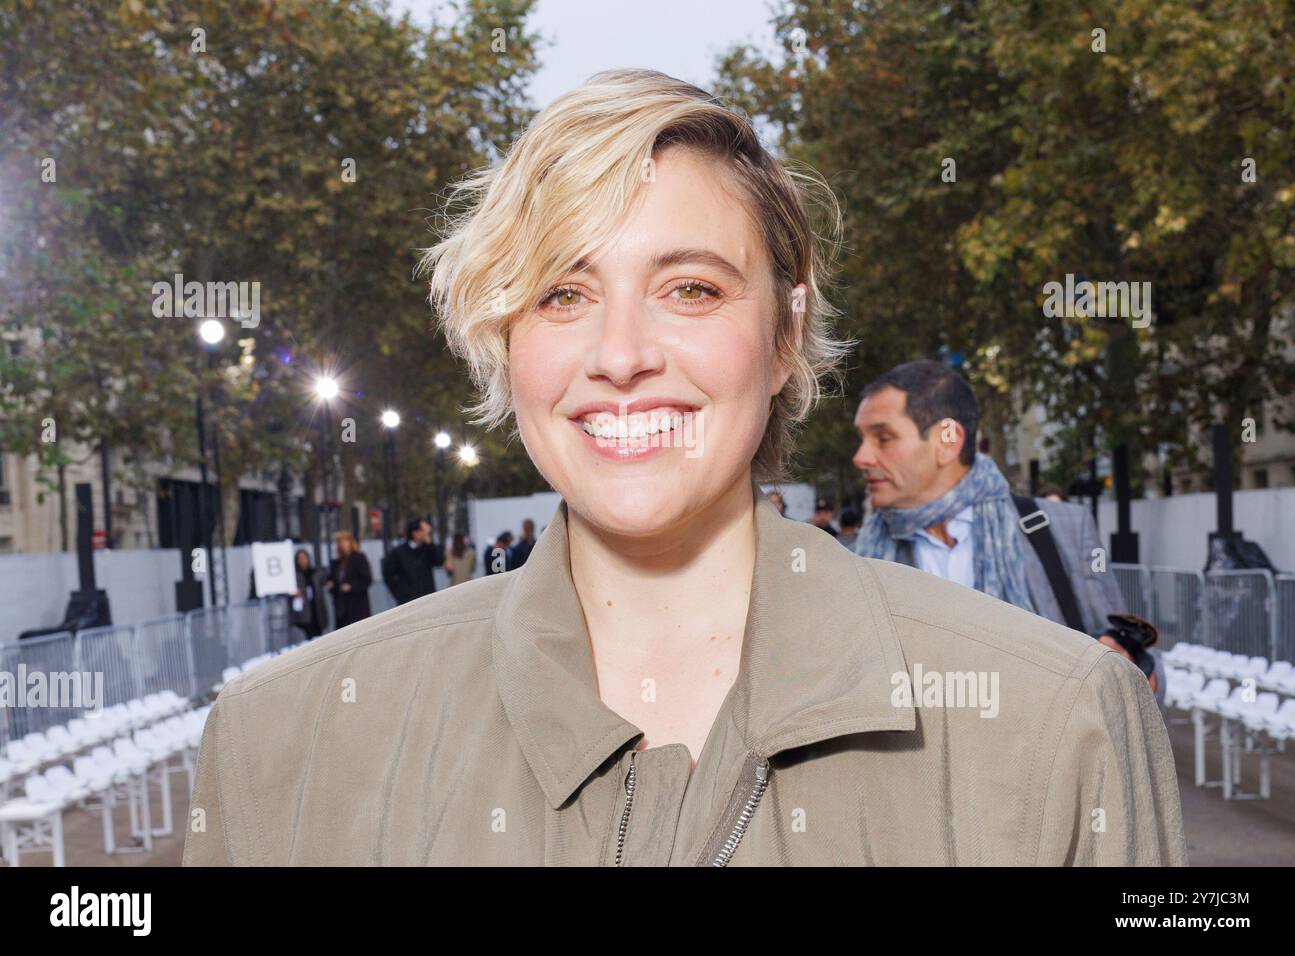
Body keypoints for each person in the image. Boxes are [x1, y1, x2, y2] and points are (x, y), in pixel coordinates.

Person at [185, 69, 1184, 867]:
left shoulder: (1061, 732)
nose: (620, 352)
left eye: (690, 287)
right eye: (562, 294)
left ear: (785, 332)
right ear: (503, 338)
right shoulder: (280, 744)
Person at [852, 360, 1125, 638]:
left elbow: (1137, 666)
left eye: (883, 438)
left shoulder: (1062, 530)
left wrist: (1131, 659)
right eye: (861, 440)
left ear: (947, 442)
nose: (861, 457)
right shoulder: (857, 561)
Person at [381, 517, 440, 605]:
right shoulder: (399, 552)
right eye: (423, 530)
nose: (426, 533)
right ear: (415, 533)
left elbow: (439, 561)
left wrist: (430, 543)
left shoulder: (428, 549)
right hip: (408, 601)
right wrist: (399, 594)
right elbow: (387, 574)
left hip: (428, 599)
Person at [325, 530, 372, 629]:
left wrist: (351, 587)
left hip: (357, 606)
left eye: (344, 541)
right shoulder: (336, 563)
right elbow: (331, 581)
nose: (342, 545)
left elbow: (367, 580)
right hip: (341, 607)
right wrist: (330, 585)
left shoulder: (359, 558)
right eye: (339, 542)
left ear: (351, 542)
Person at [289, 548, 327, 640]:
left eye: (304, 558)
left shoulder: (315, 573)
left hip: (316, 609)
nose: (303, 561)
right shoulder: (295, 576)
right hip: (303, 611)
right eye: (300, 559)